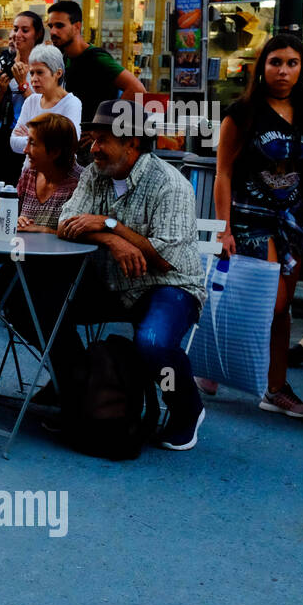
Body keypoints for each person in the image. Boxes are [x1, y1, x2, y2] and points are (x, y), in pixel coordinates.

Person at [46, 99, 208, 450]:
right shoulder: (94, 173)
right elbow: (64, 223)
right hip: (112, 283)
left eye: (104, 139)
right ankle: (80, 396)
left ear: (133, 143)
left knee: (152, 343)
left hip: (168, 287)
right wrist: (112, 239)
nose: (94, 147)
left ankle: (186, 408)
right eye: (93, 138)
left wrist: (110, 224)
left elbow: (165, 259)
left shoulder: (171, 185)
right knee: (41, 308)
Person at [214, 33, 303, 420]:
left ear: (302, 70)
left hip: (294, 222)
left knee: (282, 309)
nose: (283, 71)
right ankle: (223, 359)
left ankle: (275, 388)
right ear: (262, 67)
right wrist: (223, 229)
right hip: (251, 219)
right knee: (273, 304)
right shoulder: (241, 113)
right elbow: (223, 173)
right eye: (276, 62)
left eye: (292, 63)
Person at [46, 0, 145, 121]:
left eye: (59, 26)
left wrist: (106, 125)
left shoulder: (96, 58)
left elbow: (137, 89)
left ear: (77, 26)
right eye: (50, 26)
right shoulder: (65, 58)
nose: (53, 32)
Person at [15, 112, 83, 234]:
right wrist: (18, 221)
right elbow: (10, 215)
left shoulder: (81, 184)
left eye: (32, 143)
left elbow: (80, 236)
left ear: (54, 152)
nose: (25, 150)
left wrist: (45, 231)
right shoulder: (29, 175)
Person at [9, 44, 82, 156]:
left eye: (40, 72)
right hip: (29, 170)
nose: (33, 79)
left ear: (58, 73)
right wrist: (48, 138)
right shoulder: (31, 101)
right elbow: (13, 142)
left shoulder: (71, 103)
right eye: (32, 73)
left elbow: (69, 143)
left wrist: (30, 136)